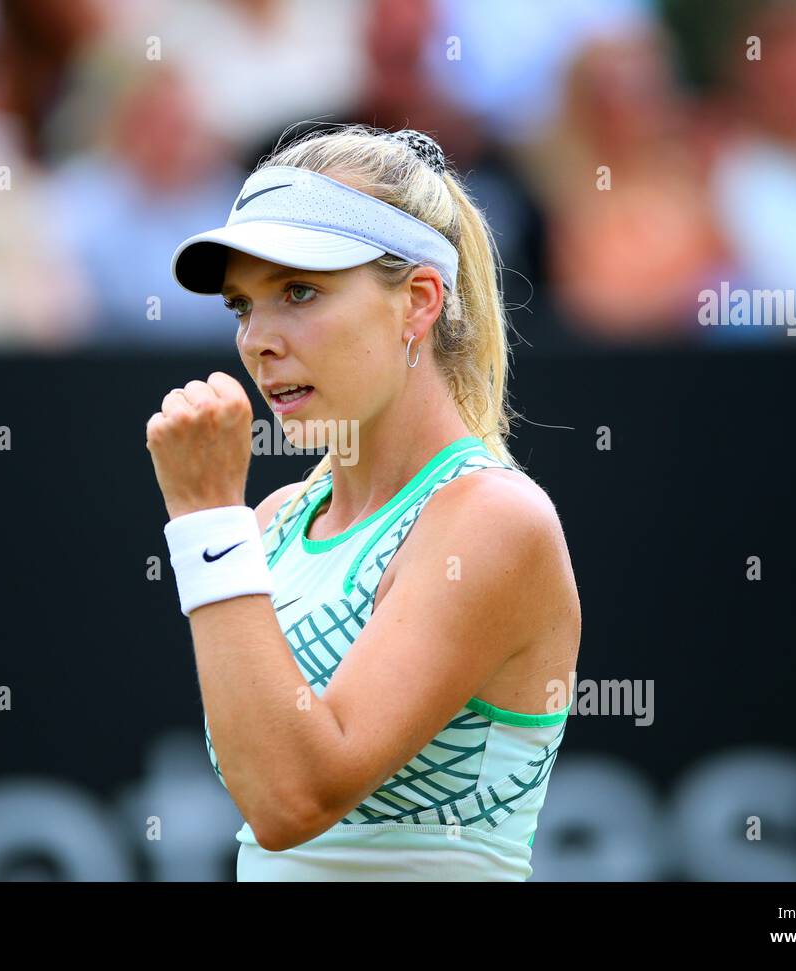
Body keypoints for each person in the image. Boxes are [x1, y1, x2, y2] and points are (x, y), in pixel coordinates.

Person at [146, 125, 582, 881]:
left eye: (300, 292)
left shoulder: (491, 520)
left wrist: (206, 519)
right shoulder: (271, 522)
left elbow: (293, 798)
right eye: (242, 305)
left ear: (417, 302)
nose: (258, 341)